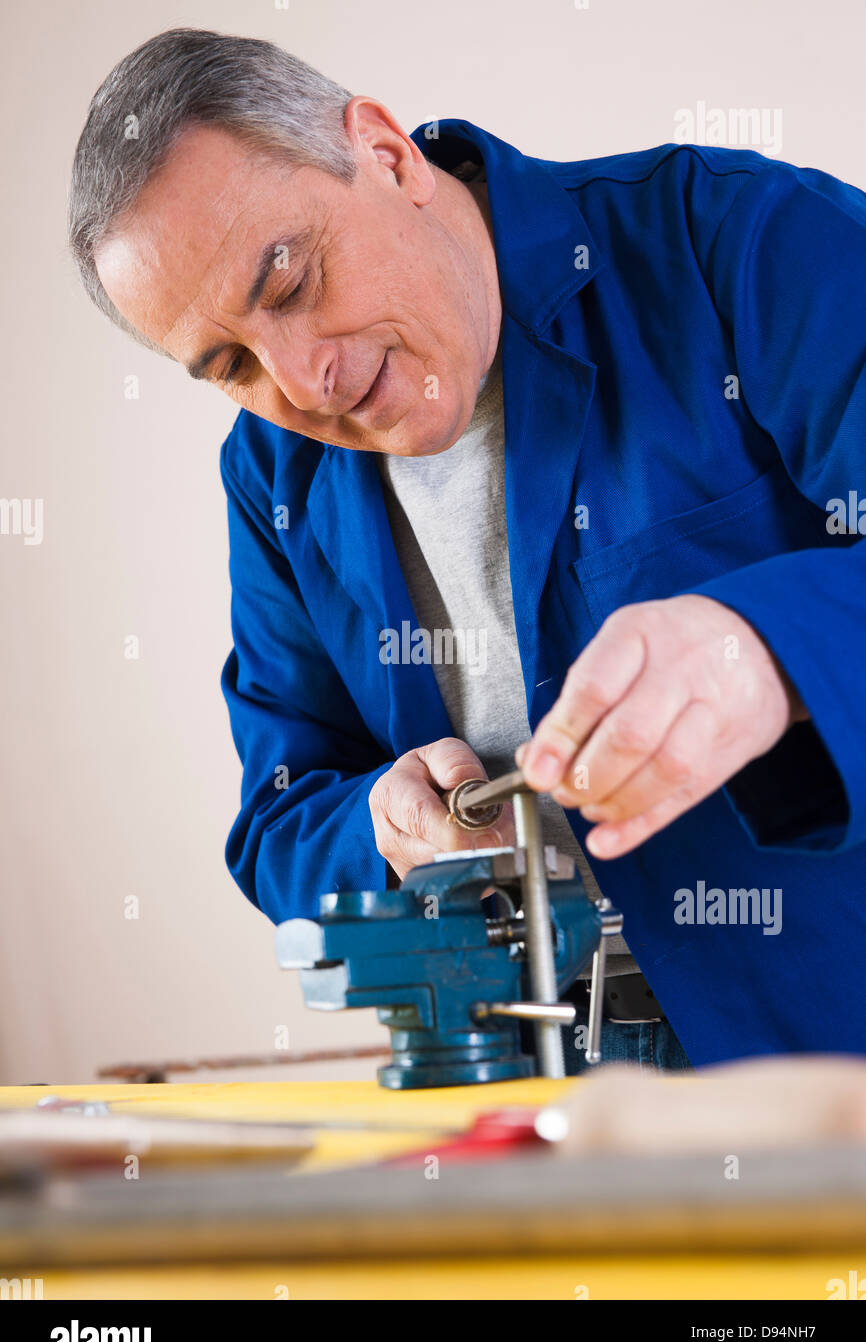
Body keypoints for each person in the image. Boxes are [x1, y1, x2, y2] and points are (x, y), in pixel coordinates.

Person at [68, 29, 866, 1072]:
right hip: (520, 1093)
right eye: (229, 363)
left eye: (289, 279)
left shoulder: (739, 241)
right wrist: (382, 827)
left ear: (387, 154)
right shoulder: (268, 478)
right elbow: (280, 814)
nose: (302, 383)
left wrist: (764, 651)